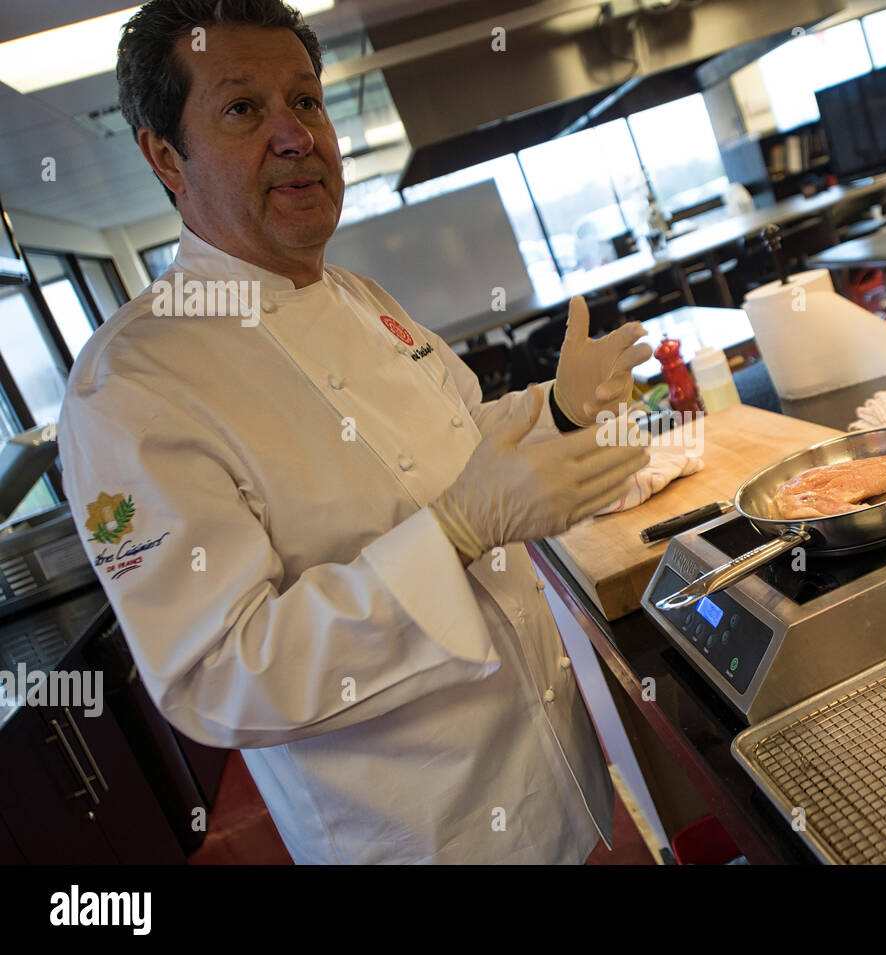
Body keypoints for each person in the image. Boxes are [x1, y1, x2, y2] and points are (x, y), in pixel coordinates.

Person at [57, 0, 653, 864]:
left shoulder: (359, 296)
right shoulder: (132, 385)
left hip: (561, 776)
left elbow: (451, 447)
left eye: (305, 101)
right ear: (164, 156)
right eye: (242, 109)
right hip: (424, 838)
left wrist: (553, 411)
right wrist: (449, 536)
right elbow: (220, 676)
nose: (296, 136)